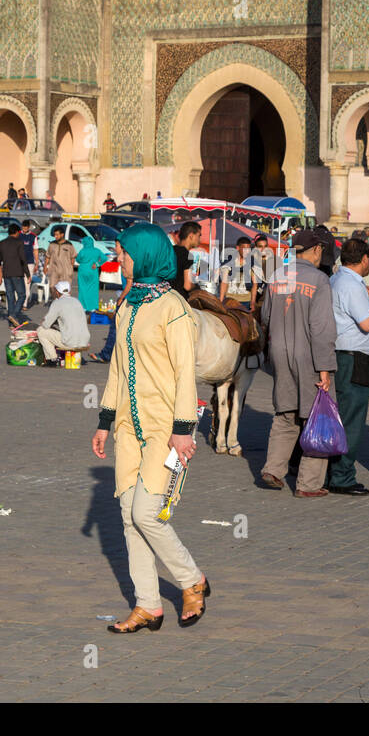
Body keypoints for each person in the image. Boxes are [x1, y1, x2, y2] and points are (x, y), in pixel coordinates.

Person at [91, 223, 208, 633]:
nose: (119, 260)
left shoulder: (174, 308)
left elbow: (185, 375)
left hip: (167, 429)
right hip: (128, 426)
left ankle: (191, 579)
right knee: (127, 515)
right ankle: (148, 605)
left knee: (148, 512)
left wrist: (183, 429)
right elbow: (117, 369)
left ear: (144, 255)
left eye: (124, 253)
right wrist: (105, 420)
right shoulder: (127, 305)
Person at [257, 229, 337, 497]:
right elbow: (322, 329)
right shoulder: (320, 279)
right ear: (316, 250)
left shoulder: (277, 276)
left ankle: (273, 468)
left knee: (285, 411)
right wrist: (325, 369)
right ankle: (309, 484)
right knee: (317, 416)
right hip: (310, 357)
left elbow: (265, 317)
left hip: (279, 353)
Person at [327, 238, 369, 497]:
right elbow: (367, 323)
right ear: (365, 259)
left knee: (342, 414)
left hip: (342, 353)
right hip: (353, 356)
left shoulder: (337, 279)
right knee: (352, 418)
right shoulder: (351, 284)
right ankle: (342, 476)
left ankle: (333, 471)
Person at [36, 281, 89, 365]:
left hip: (70, 342)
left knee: (41, 331)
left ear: (57, 292)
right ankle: (56, 357)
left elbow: (46, 324)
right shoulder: (77, 301)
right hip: (84, 340)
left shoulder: (57, 303)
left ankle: (51, 359)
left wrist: (44, 321)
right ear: (69, 291)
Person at [0, 222, 30, 325]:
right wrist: (28, 274)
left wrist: (1, 274)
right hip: (17, 272)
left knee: (10, 297)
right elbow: (23, 259)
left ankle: (11, 323)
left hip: (7, 273)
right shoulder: (19, 242)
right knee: (22, 295)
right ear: (16, 232)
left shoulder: (1, 243)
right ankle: (14, 315)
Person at [218, 236, 254, 307]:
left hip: (246, 300)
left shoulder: (252, 263)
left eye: (249, 249)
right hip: (230, 299)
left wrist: (252, 303)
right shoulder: (229, 262)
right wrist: (221, 301)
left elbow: (255, 284)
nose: (247, 251)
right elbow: (224, 282)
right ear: (238, 248)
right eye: (245, 249)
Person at [44, 226, 76, 300]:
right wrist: (45, 267)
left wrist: (70, 269)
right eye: (54, 235)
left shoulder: (69, 244)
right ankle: (56, 301)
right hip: (54, 270)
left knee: (66, 289)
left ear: (62, 234)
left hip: (66, 270)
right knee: (52, 286)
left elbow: (73, 257)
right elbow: (47, 256)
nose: (55, 236)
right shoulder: (52, 244)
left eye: (57, 235)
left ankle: (65, 303)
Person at [75, 234, 104, 313]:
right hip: (93, 271)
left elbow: (77, 260)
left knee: (82, 289)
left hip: (83, 271)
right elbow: (104, 258)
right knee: (93, 289)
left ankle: (83, 306)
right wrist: (97, 264)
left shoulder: (82, 251)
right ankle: (93, 307)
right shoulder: (97, 251)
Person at [173, 221, 201, 297]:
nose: (199, 239)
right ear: (191, 236)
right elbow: (187, 286)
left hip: (165, 297)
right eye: (199, 235)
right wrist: (196, 285)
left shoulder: (170, 250)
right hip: (179, 300)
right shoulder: (187, 255)